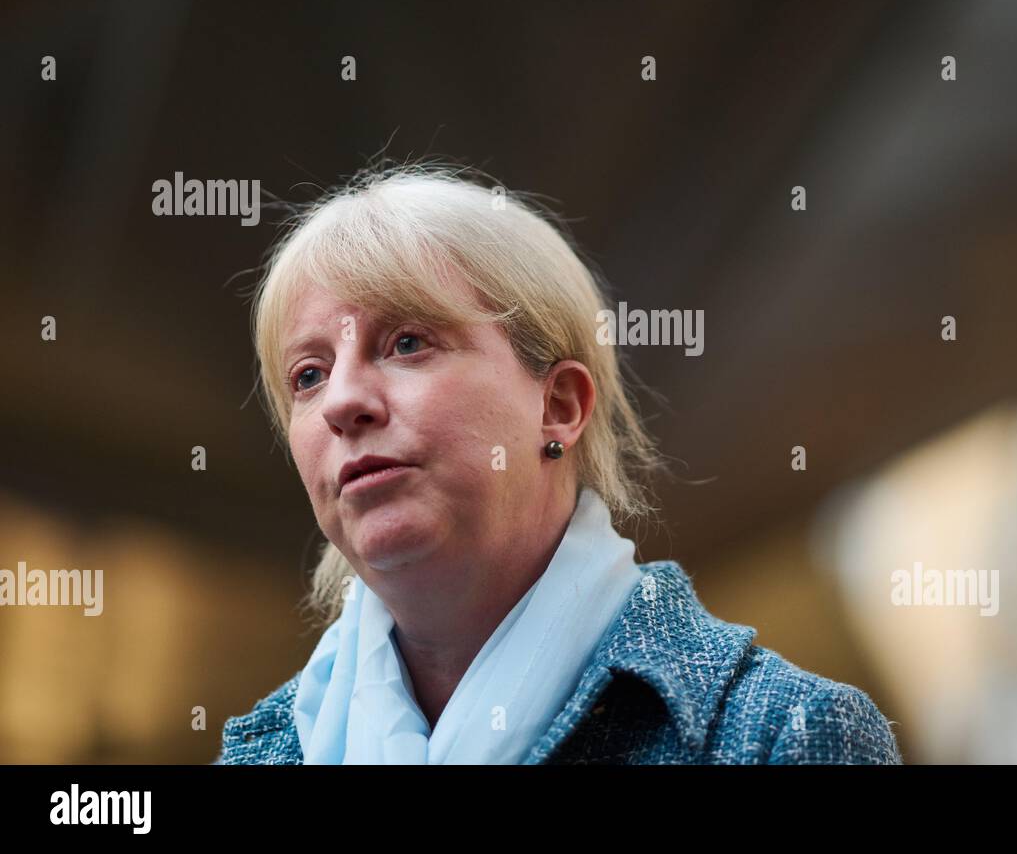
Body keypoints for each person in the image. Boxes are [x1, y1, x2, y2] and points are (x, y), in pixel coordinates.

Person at [215, 163, 902, 764]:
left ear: (561, 406)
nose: (342, 402)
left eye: (406, 342)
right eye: (308, 375)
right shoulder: (260, 752)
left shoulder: (784, 738)